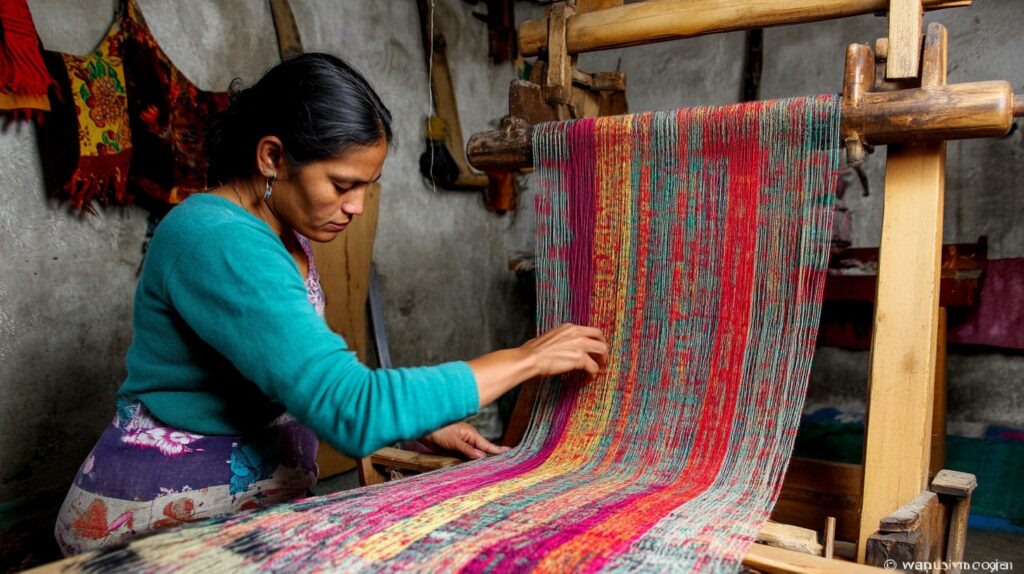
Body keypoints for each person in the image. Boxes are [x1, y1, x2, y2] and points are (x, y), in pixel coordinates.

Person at [53, 53, 608, 556]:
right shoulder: (217, 239)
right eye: (342, 184)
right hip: (154, 529)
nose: (357, 207)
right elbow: (349, 409)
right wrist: (525, 359)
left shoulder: (284, 233)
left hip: (245, 518)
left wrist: (423, 424)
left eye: (367, 185)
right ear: (272, 157)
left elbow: (297, 376)